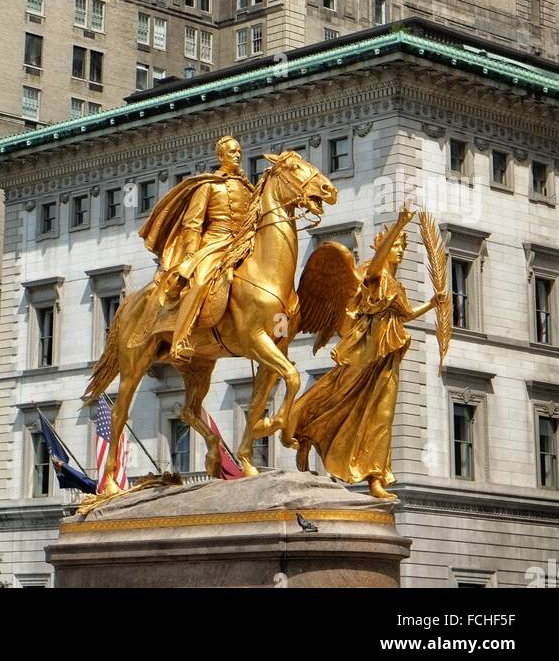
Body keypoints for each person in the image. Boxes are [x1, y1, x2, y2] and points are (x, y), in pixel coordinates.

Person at [290, 210, 445, 500]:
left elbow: (407, 314)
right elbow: (375, 271)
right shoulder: (371, 276)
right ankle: (304, 430)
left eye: (402, 247)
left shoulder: (396, 286)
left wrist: (432, 304)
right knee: (336, 396)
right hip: (364, 351)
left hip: (388, 354)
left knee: (380, 417)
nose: (400, 251)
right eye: (395, 246)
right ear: (381, 246)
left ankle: (376, 477)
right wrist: (398, 224)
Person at [137, 135, 257, 364]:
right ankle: (181, 339)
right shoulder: (208, 185)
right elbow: (193, 222)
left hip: (242, 243)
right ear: (221, 156)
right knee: (201, 281)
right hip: (214, 244)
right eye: (232, 152)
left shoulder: (247, 188)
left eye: (239, 151)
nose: (238, 155)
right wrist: (192, 254)